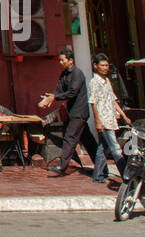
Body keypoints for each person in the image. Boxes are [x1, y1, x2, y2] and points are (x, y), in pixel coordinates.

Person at [39, 47, 99, 177]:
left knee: (69, 137)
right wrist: (51, 97)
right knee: (88, 141)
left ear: (70, 61)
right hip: (72, 112)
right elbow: (59, 90)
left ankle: (62, 166)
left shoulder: (77, 74)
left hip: (79, 112)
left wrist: (54, 97)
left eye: (62, 60)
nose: (60, 63)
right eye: (59, 60)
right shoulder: (64, 74)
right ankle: (102, 167)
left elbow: (72, 92)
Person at [88, 53, 129, 185]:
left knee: (102, 148)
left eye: (107, 65)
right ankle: (126, 176)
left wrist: (123, 115)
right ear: (95, 66)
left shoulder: (107, 81)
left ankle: (98, 175)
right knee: (116, 149)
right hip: (104, 120)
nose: (105, 68)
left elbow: (113, 99)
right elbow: (92, 103)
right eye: (102, 65)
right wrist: (98, 121)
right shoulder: (94, 83)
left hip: (111, 119)